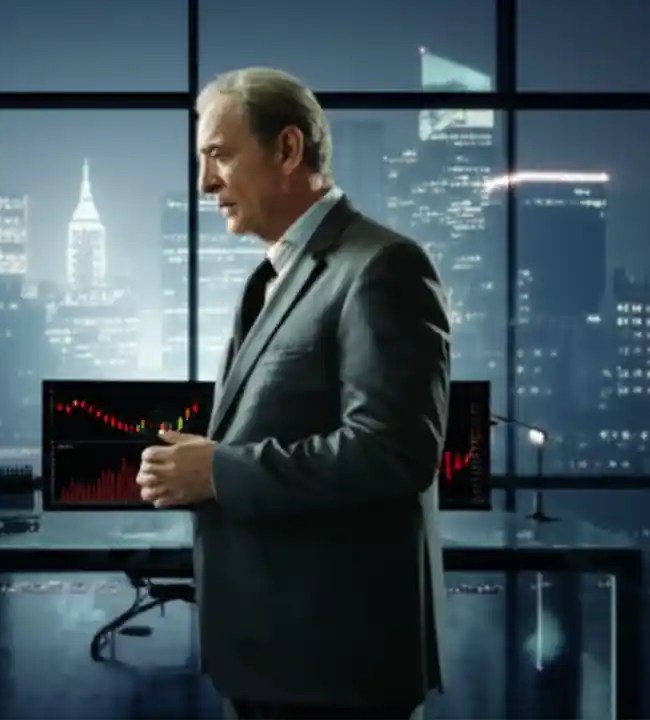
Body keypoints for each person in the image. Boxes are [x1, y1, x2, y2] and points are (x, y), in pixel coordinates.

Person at [136, 67, 450, 720]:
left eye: (219, 155)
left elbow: (392, 452)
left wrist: (217, 470)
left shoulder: (382, 266)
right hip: (273, 658)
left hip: (336, 669)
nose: (204, 182)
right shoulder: (268, 279)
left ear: (287, 149)